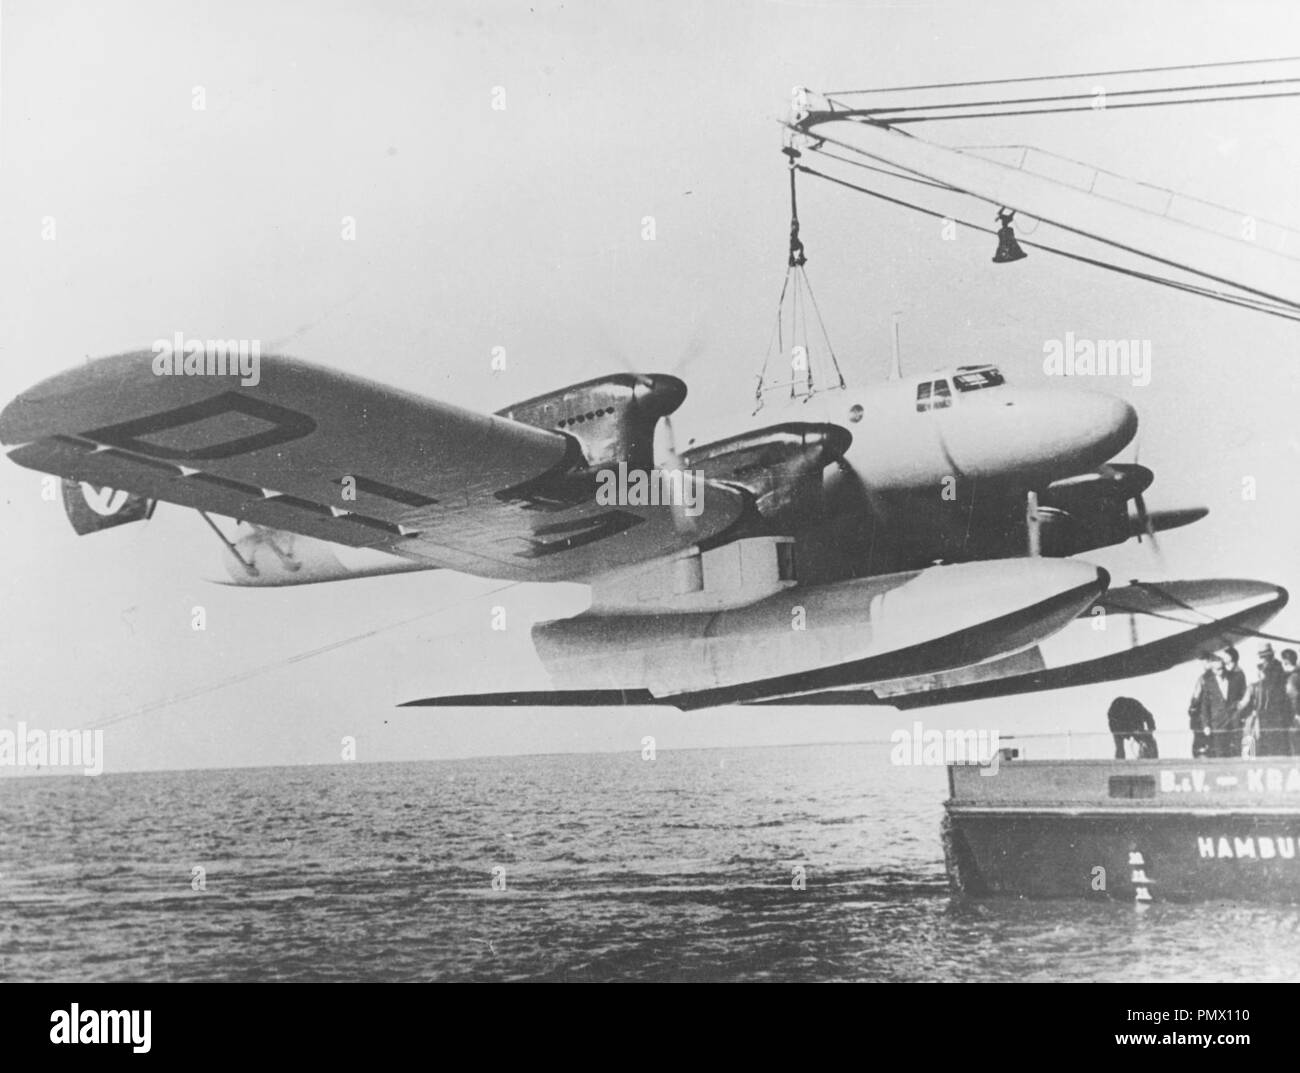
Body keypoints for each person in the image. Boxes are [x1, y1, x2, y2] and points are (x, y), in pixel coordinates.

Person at [1238, 643, 1293, 757]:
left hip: (1271, 715)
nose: (1263, 658)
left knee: (1271, 745)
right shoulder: (1263, 673)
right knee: (1253, 741)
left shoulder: (1276, 669)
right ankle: (1251, 763)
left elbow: (1273, 690)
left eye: (1265, 656)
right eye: (1262, 656)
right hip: (1261, 714)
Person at [1189, 653, 1244, 758]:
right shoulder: (1208, 683)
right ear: (1213, 670)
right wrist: (1206, 725)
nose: (1222, 671)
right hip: (1217, 726)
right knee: (1220, 755)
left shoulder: (1235, 678)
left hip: (1234, 724)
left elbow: (1241, 697)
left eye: (1223, 668)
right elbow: (1204, 707)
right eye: (1218, 669)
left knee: (1237, 754)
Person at [1187, 654, 1217, 758]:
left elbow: (1196, 697)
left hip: (1201, 718)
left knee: (1200, 747)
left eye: (1205, 661)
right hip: (1212, 718)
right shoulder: (1215, 677)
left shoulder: (1204, 678)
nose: (1203, 664)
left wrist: (1192, 710)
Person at [1283, 649, 1300, 755]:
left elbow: (1293, 697)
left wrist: (1296, 714)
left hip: (1295, 716)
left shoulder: (1291, 678)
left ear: (1285, 661)